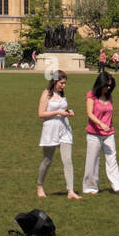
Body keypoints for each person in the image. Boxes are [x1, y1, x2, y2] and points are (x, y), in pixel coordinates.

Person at [37, 71, 81, 200]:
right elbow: (41, 114)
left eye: (65, 83)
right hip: (50, 130)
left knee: (68, 160)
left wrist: (68, 112)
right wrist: (58, 112)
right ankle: (40, 186)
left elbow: (63, 110)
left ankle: (70, 191)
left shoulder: (61, 95)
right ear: (55, 82)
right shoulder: (46, 94)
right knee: (47, 160)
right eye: (62, 83)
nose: (63, 86)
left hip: (65, 130)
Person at [82, 73, 119, 195]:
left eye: (110, 86)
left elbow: (110, 113)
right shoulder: (91, 95)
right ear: (100, 84)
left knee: (112, 159)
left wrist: (108, 125)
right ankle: (90, 187)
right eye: (106, 85)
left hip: (109, 133)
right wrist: (101, 124)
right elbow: (89, 113)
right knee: (92, 160)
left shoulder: (109, 96)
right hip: (94, 134)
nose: (108, 88)